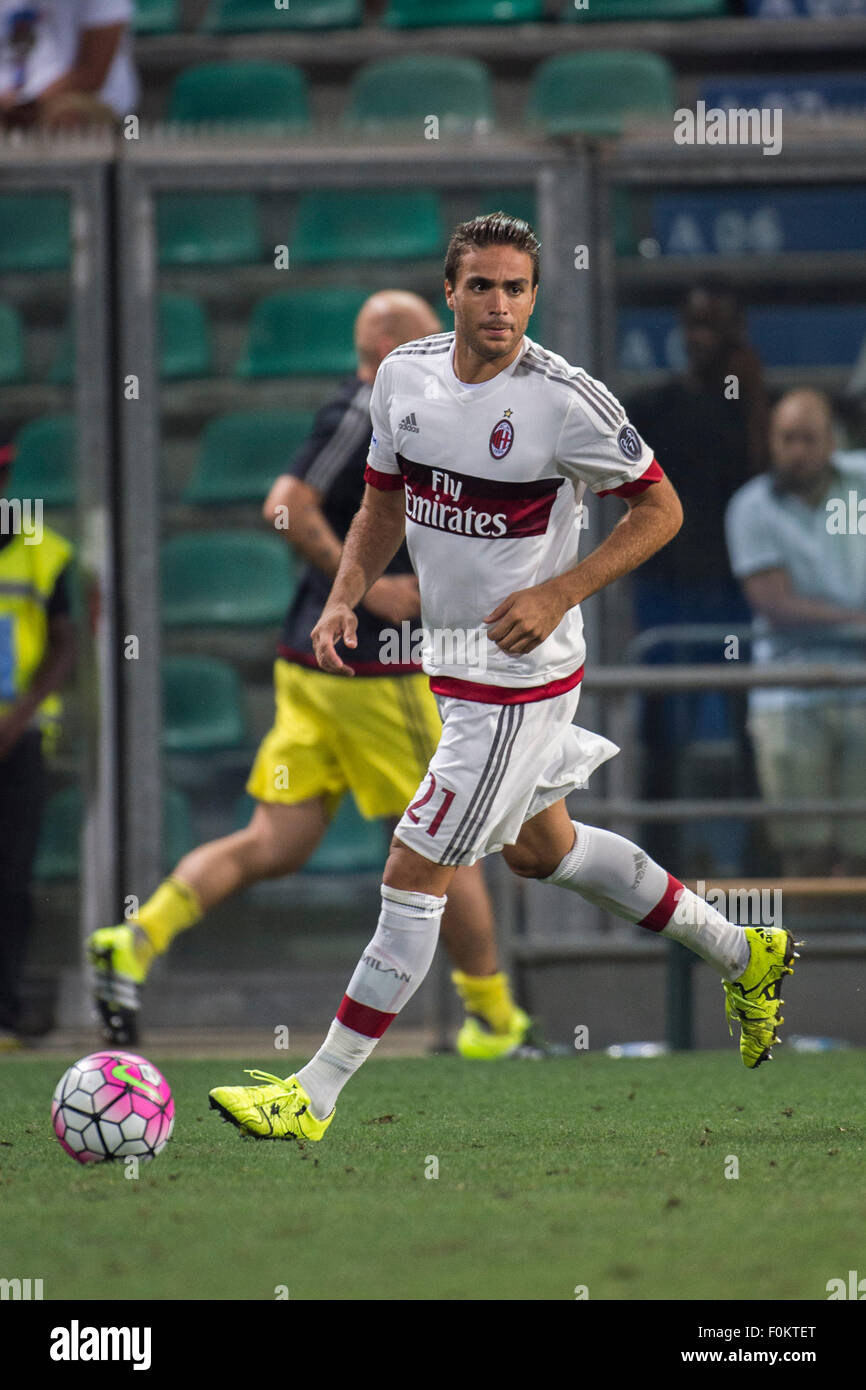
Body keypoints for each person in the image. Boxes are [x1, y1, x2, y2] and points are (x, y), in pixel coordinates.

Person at [208, 214, 800, 1143]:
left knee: (413, 867)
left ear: (536, 294)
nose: (500, 305)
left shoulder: (565, 399)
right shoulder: (404, 375)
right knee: (540, 850)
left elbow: (664, 509)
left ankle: (312, 1094)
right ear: (451, 290)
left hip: (520, 680)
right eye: (482, 285)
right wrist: (344, 595)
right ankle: (744, 950)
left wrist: (561, 590)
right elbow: (381, 500)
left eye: (517, 288)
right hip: (453, 668)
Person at [89, 290, 533, 1062]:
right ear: (393, 343)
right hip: (370, 672)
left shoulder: (406, 409)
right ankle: (496, 1023)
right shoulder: (369, 408)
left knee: (276, 838)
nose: (451, 345)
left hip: (310, 666)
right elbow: (286, 505)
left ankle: (134, 939)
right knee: (445, 837)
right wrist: (365, 586)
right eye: (435, 333)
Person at [725, 388, 866, 878]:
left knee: (860, 856)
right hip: (787, 698)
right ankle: (808, 956)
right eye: (787, 439)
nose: (798, 451)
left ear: (832, 443)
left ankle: (852, 957)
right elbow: (775, 604)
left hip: (863, 691)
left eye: (809, 439)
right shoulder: (750, 508)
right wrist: (858, 623)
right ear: (771, 442)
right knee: (804, 853)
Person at [626, 277, 769, 631]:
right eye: (695, 325)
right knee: (663, 677)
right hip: (665, 576)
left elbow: (767, 476)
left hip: (736, 575)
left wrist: (752, 396)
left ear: (738, 332)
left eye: (715, 327)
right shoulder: (652, 408)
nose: (702, 338)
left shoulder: (755, 409)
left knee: (734, 676)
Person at [0, 436, 76, 1049]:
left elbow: (64, 642)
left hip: (16, 742)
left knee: (11, 879)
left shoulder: (42, 551)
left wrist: (19, 716)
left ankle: (5, 1012)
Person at [0, 1, 138, 131]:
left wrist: (28, 102)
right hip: (17, 101)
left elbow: (91, 75)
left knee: (65, 116)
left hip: (85, 99)